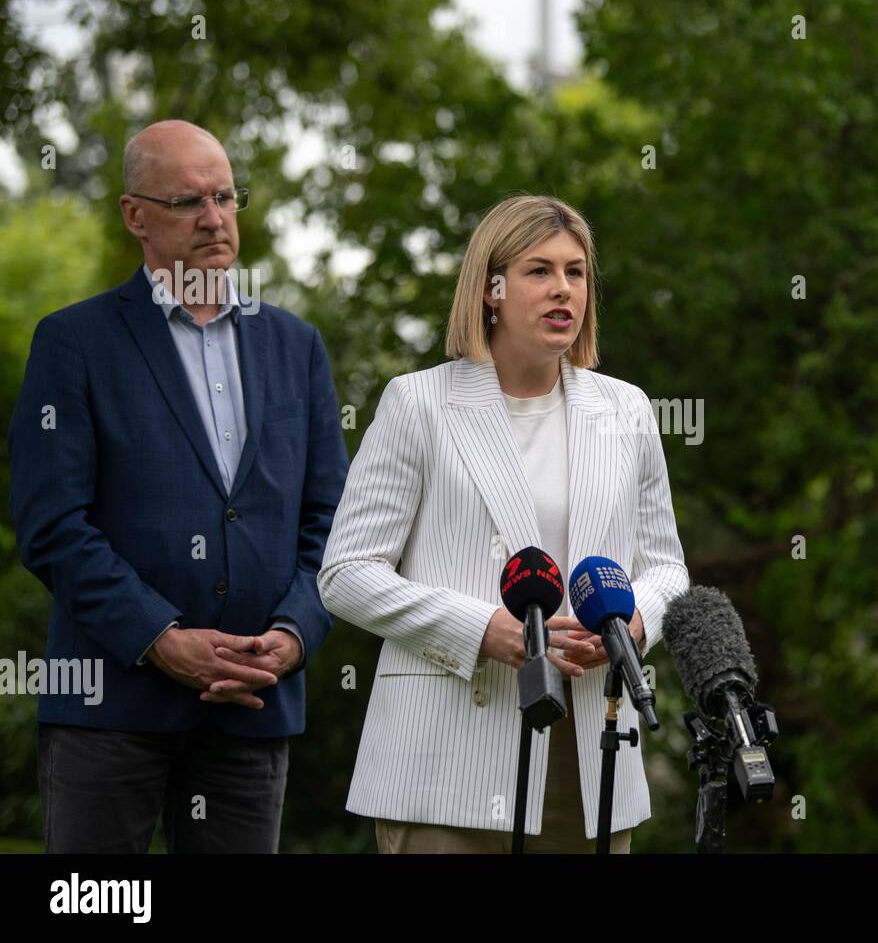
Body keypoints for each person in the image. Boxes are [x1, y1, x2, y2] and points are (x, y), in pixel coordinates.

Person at [6, 120, 349, 853]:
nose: (215, 218)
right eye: (189, 201)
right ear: (136, 216)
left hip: (253, 705)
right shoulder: (74, 343)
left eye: (226, 197)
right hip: (108, 707)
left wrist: (293, 634)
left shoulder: (296, 345)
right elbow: (51, 525)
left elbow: (334, 523)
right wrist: (158, 637)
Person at [319, 194, 690, 852]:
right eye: (539, 270)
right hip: (445, 759)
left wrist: (633, 624)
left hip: (590, 754)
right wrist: (480, 629)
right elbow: (346, 574)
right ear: (491, 290)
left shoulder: (626, 408)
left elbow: (666, 568)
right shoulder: (418, 404)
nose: (563, 290)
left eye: (576, 272)